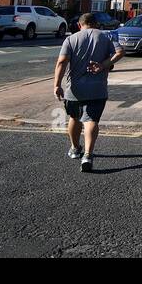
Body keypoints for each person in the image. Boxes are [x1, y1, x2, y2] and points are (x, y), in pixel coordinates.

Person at [53, 12, 124, 172]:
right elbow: (120, 52)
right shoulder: (106, 37)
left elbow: (62, 62)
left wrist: (57, 84)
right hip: (97, 88)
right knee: (91, 120)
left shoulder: (71, 39)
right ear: (96, 24)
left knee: (74, 118)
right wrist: (104, 64)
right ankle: (88, 155)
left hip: (74, 90)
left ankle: (75, 148)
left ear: (80, 25)